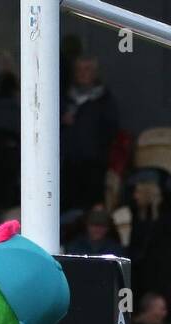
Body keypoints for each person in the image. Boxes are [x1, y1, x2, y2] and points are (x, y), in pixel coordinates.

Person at [61, 55, 119, 214]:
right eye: (79, 70)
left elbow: (112, 128)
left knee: (93, 209)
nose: (83, 74)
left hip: (94, 163)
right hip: (68, 163)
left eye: (87, 70)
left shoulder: (104, 98)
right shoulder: (64, 97)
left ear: (95, 73)